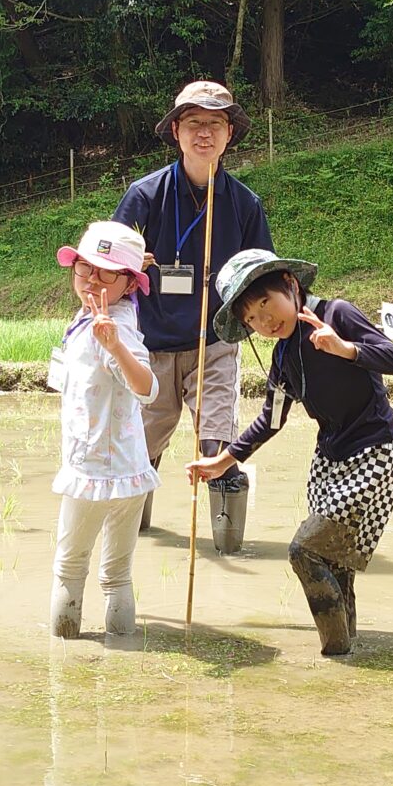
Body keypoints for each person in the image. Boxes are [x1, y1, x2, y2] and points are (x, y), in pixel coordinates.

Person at [186, 249, 393, 656]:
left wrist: (344, 348)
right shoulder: (282, 356)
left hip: (376, 452)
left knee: (305, 550)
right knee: (337, 565)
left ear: (290, 285)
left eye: (266, 304)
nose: (265, 322)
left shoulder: (337, 314)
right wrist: (224, 460)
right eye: (251, 318)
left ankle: (334, 656)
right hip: (329, 461)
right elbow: (271, 420)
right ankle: (348, 652)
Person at [113, 80, 274, 552]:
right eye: (194, 123)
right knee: (141, 450)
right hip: (151, 345)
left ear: (229, 134)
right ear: (177, 131)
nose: (204, 133)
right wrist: (130, 265)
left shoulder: (245, 204)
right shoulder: (144, 196)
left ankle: (228, 549)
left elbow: (263, 276)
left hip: (215, 344)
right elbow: (110, 262)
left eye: (215, 124)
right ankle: (130, 534)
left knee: (218, 447)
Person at [50, 220, 160, 638]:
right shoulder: (94, 315)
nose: (92, 279)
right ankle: (122, 657)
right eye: (85, 267)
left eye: (106, 272)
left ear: (129, 284)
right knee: (117, 576)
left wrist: (114, 346)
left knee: (69, 569)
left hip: (93, 473)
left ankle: (61, 660)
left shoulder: (116, 328)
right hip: (128, 473)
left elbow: (147, 388)